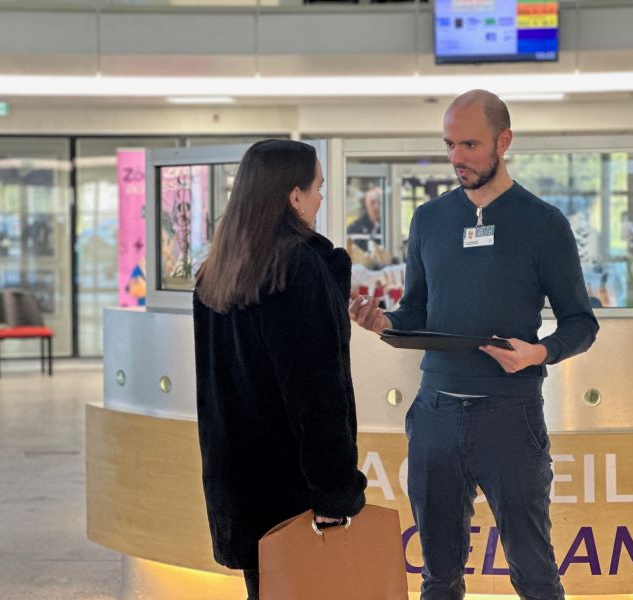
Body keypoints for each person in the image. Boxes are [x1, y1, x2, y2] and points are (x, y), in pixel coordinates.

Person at [349, 90, 599, 600]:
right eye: (448, 145)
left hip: (511, 415)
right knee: (437, 576)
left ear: (504, 142)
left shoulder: (544, 224)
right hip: (435, 412)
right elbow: (417, 311)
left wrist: (539, 352)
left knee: (533, 572)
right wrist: (383, 323)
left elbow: (581, 322)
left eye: (469, 144)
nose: (456, 157)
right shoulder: (429, 220)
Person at [193, 139, 367, 600]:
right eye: (317, 189)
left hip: (243, 489)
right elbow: (317, 395)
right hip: (295, 494)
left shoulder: (218, 269)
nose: (320, 199)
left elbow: (214, 391)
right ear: (293, 196)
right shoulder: (298, 268)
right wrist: (333, 494)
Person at [347, 185, 383, 252]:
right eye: (372, 203)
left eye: (379, 202)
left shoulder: (389, 229)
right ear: (366, 205)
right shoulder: (354, 228)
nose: (376, 207)